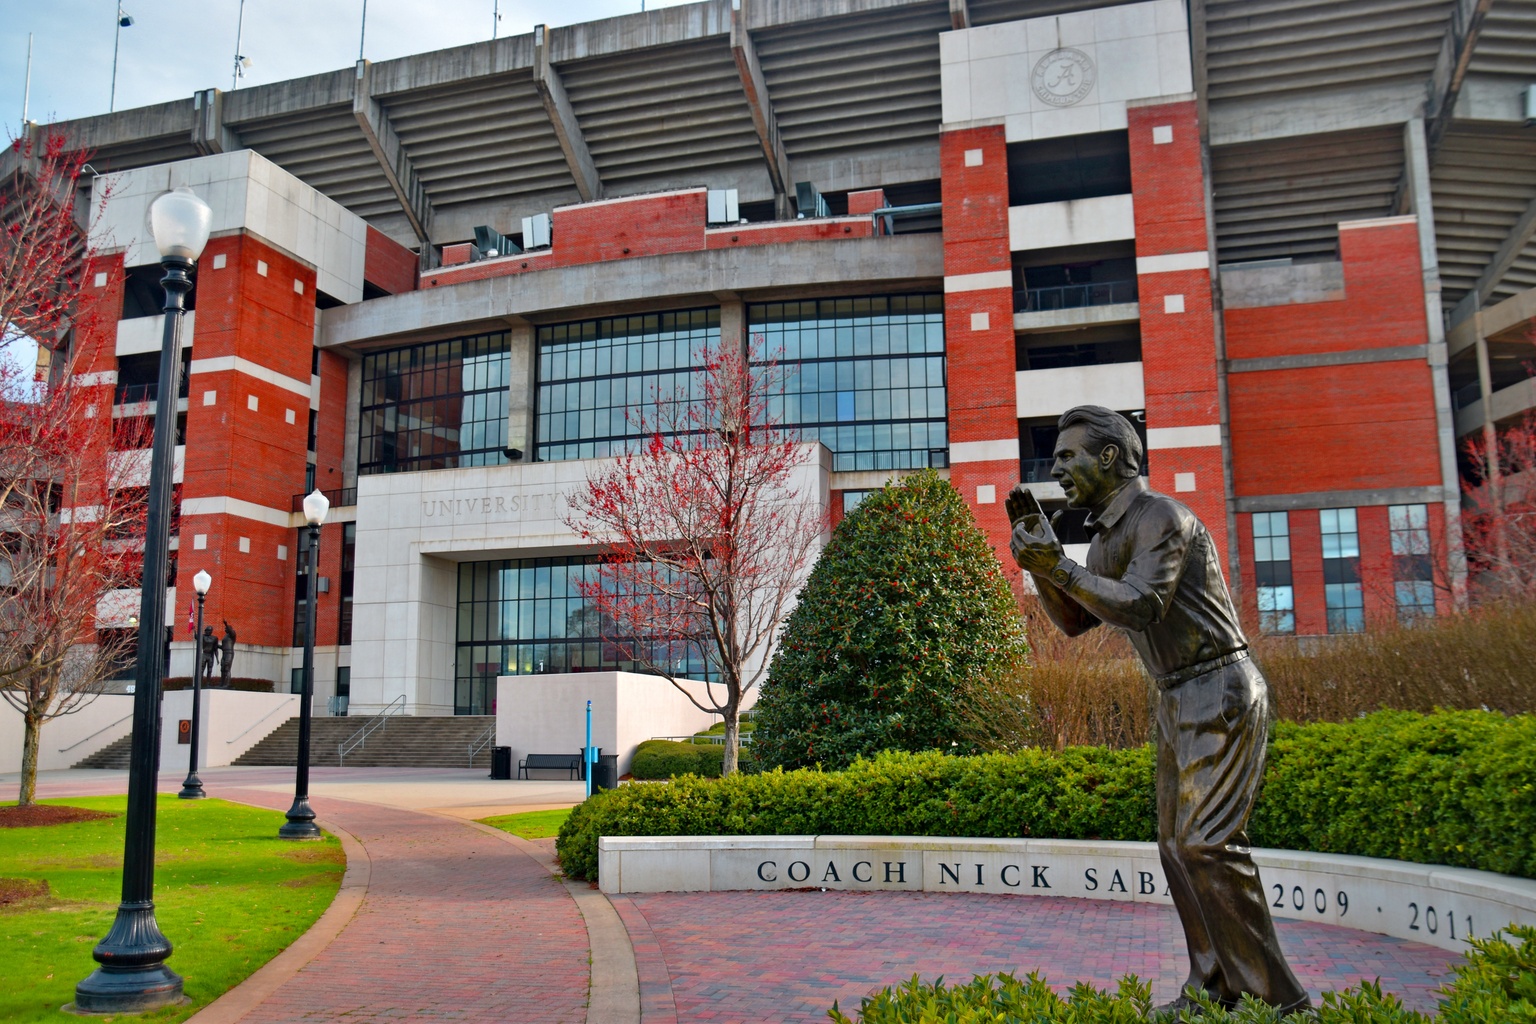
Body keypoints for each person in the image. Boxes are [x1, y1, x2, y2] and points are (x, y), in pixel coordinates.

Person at [1006, 405, 1310, 1018]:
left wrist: (1057, 565)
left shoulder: (1161, 518)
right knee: (1178, 848)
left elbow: (1142, 605)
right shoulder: (1105, 539)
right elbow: (1074, 622)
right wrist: (1040, 567)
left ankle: (1283, 1004)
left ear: (1110, 456)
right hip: (1176, 693)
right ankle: (1215, 989)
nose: (1056, 468)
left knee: (1206, 845)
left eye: (1068, 456)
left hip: (1219, 686)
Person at [220, 621, 237, 687]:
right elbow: (223, 647)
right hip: (224, 653)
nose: (225, 629)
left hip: (229, 653)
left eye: (226, 628)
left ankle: (227, 683)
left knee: (227, 668)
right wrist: (217, 646)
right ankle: (222, 683)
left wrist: (226, 624)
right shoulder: (225, 637)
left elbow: (231, 631)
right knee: (222, 669)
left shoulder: (232, 635)